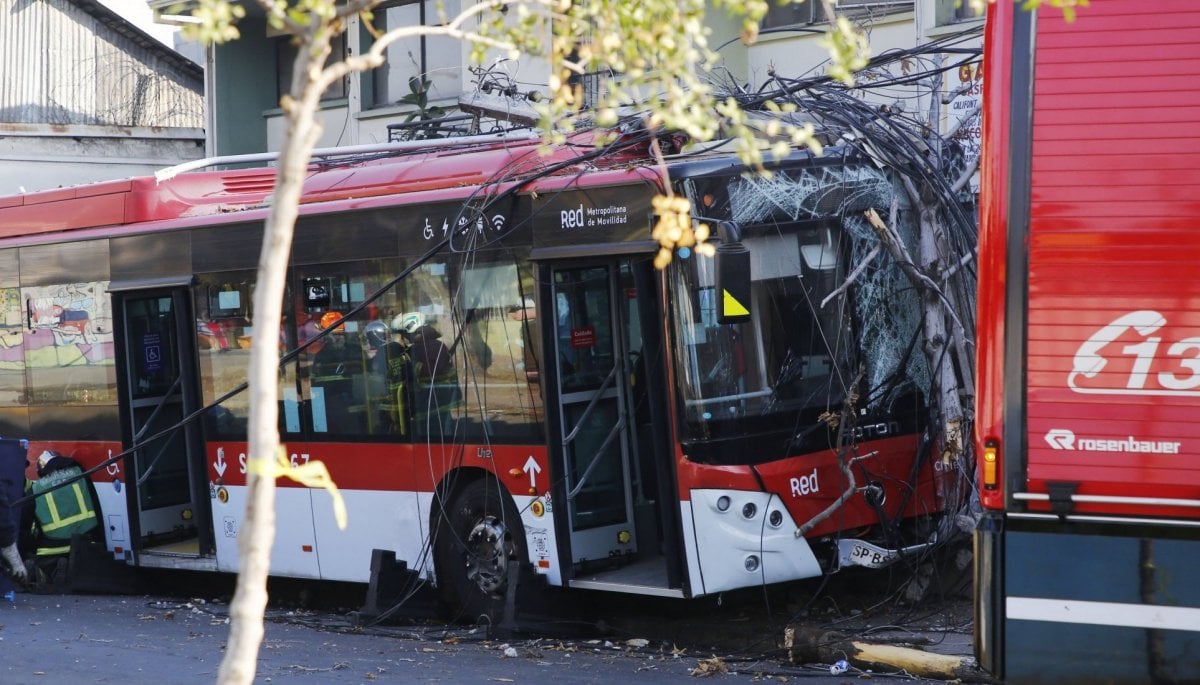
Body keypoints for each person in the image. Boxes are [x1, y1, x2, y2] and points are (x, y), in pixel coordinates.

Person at [29, 450, 99, 587]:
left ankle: (50, 570)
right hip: (85, 539)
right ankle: (62, 568)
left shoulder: (35, 488)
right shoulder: (79, 472)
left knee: (38, 555)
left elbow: (33, 529)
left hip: (52, 546)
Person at [397, 314, 460, 435]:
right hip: (444, 397)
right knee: (444, 427)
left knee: (432, 433)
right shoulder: (438, 345)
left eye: (404, 333)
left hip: (428, 401)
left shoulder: (418, 350)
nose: (404, 338)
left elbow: (416, 373)